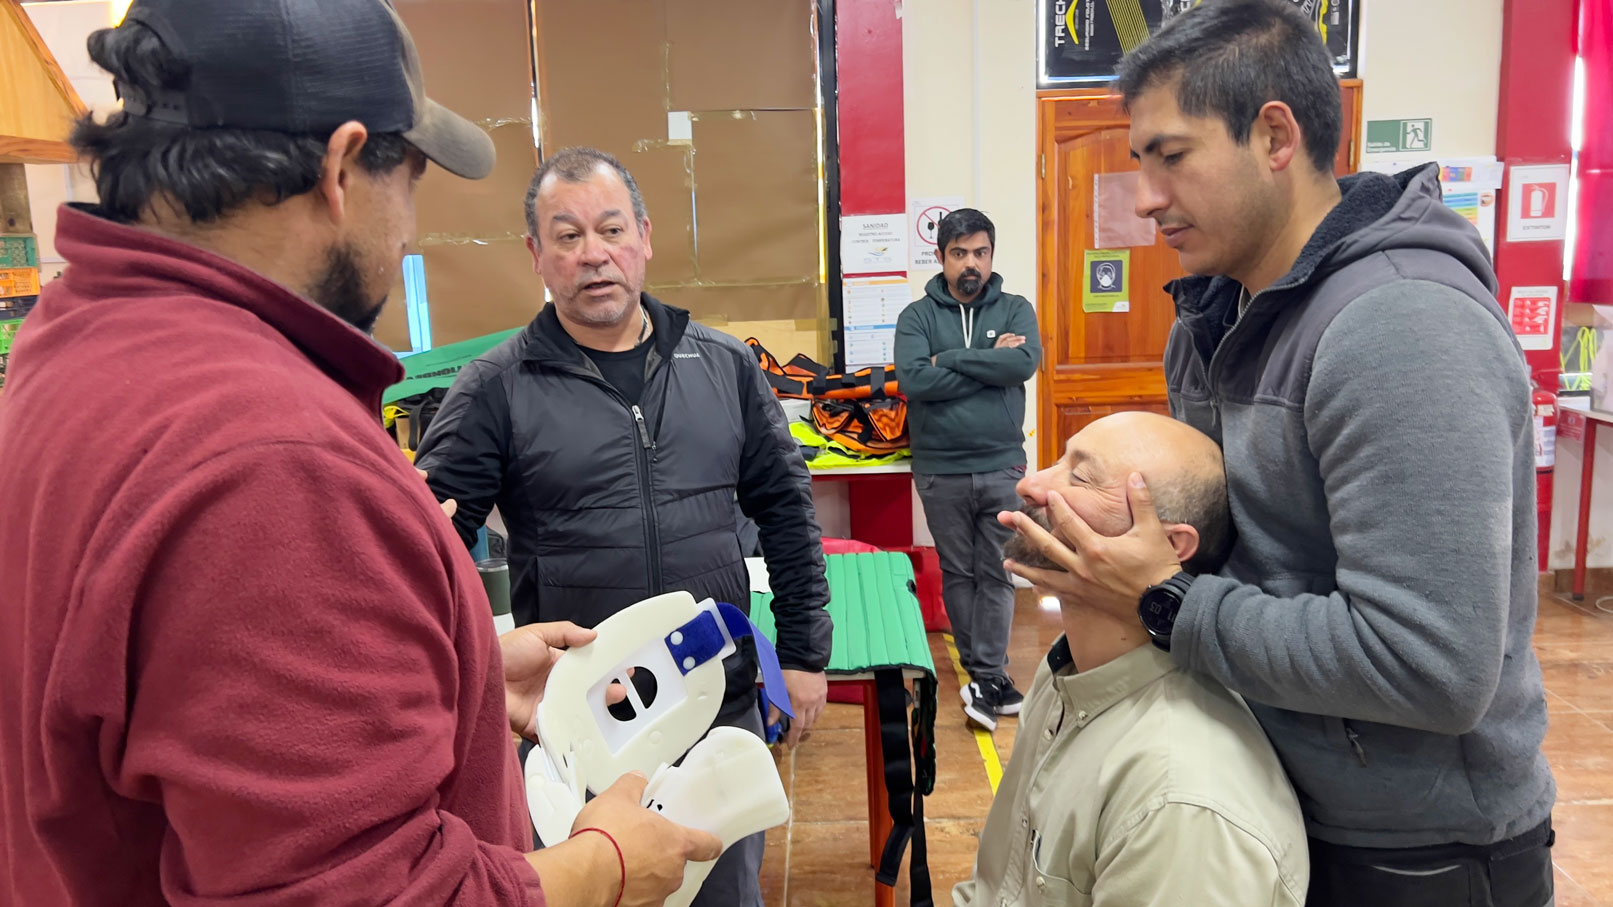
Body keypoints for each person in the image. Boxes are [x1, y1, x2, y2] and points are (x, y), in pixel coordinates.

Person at [0, 3, 719, 905]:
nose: (411, 229)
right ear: (342, 169)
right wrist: (607, 866)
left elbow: (189, 686)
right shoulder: (276, 460)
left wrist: (451, 675)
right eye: (410, 183)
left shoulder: (74, 342)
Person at [1002, 2, 1556, 905]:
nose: (1144, 199)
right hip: (1263, 794)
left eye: (1171, 157)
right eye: (1138, 162)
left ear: (1272, 136)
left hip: (1411, 850)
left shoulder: (1400, 324)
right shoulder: (1208, 324)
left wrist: (1162, 599)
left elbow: (1431, 663)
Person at [413, 146, 833, 907]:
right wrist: (465, 669)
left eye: (609, 229)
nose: (592, 254)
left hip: (716, 703)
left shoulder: (725, 366)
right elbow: (419, 554)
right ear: (536, 256)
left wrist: (802, 655)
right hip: (585, 721)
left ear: (643, 236)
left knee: (719, 890)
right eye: (566, 236)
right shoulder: (495, 388)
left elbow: (786, 509)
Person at [957, 412, 1307, 907]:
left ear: (1170, 546)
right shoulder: (1065, 675)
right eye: (1058, 461)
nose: (1032, 485)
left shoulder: (1179, 801)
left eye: (1079, 477)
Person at [894, 208, 1041, 731]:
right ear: (940, 258)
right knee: (959, 573)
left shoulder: (1017, 308)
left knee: (999, 573)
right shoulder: (916, 317)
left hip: (1002, 464)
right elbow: (913, 382)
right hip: (941, 470)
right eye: (959, 254)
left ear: (992, 255)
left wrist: (948, 360)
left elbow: (1023, 365)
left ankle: (988, 673)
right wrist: (984, 360)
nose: (970, 264)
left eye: (980, 252)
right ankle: (984, 676)